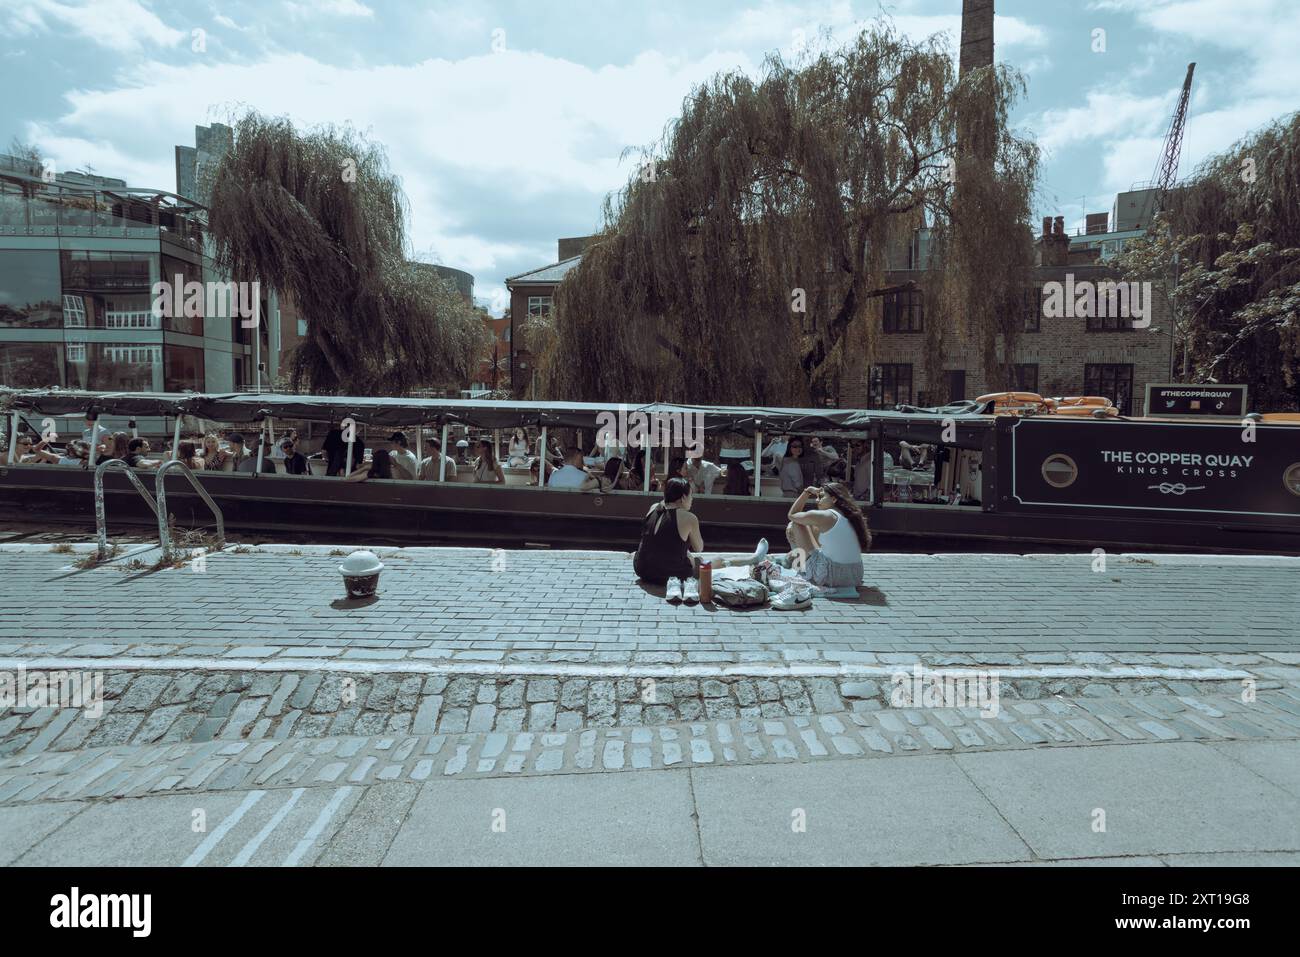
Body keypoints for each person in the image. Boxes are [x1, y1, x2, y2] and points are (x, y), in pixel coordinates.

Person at [785, 482, 870, 589]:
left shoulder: (826, 515)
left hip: (831, 577)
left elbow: (792, 515)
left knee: (795, 524)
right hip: (854, 576)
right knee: (812, 526)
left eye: (821, 496)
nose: (817, 500)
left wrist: (807, 492)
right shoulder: (851, 516)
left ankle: (797, 565)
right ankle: (794, 559)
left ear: (834, 499)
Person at [633, 477, 703, 601]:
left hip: (642, 569)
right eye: (691, 495)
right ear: (683, 497)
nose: (692, 500)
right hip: (671, 574)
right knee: (700, 561)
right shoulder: (689, 517)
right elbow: (699, 547)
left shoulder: (653, 508)